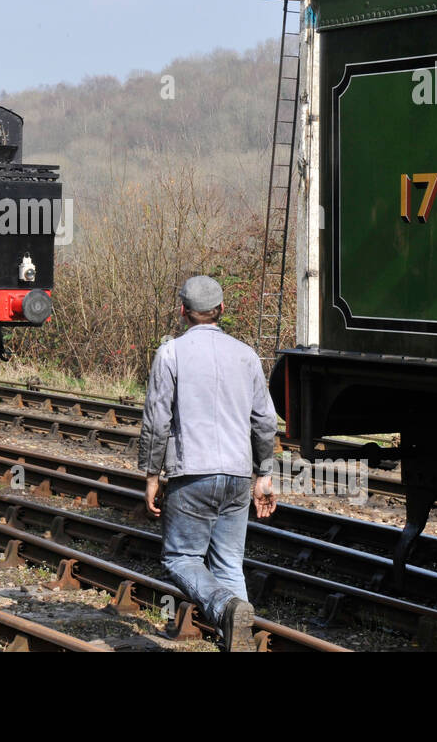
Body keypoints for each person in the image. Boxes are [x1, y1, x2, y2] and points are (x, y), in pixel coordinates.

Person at [138, 275, 279, 652]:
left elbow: (156, 419)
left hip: (191, 474)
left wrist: (152, 474)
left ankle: (223, 607)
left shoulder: (170, 353)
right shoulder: (247, 355)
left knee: (180, 558)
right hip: (237, 475)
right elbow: (265, 421)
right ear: (221, 311)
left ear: (183, 312)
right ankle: (238, 637)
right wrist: (264, 474)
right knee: (229, 563)